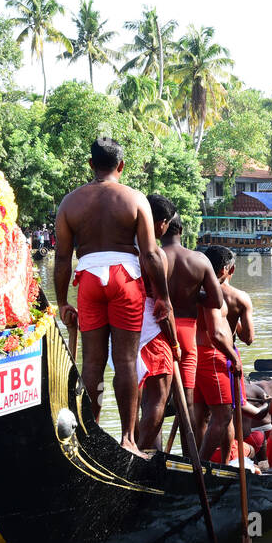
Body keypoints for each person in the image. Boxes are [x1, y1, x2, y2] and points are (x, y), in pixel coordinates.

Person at [54, 137, 169, 457]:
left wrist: (62, 301)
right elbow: (151, 254)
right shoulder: (135, 200)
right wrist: (162, 296)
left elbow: (62, 258)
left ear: (91, 165)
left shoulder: (70, 203)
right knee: (126, 362)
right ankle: (128, 439)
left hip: (88, 278)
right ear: (121, 166)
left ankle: (90, 434)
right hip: (126, 279)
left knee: (92, 362)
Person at [160, 211, 226, 448]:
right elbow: (216, 301)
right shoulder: (198, 259)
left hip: (159, 330)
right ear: (181, 231)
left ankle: (148, 452)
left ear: (161, 227)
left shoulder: (153, 256)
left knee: (153, 399)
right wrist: (191, 296)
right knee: (187, 403)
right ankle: (191, 460)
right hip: (187, 332)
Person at [131, 195, 181, 452]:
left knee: (135, 391)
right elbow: (164, 306)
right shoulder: (154, 253)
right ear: (161, 223)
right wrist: (174, 342)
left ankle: (133, 444)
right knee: (158, 398)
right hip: (151, 330)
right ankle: (137, 453)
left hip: (125, 327)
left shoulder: (123, 247)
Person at [194, 245, 248, 464]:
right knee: (224, 415)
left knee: (200, 415)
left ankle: (209, 463)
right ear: (228, 269)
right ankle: (201, 466)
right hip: (212, 354)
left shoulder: (192, 287)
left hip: (194, 354)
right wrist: (233, 357)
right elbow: (216, 332)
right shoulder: (211, 291)